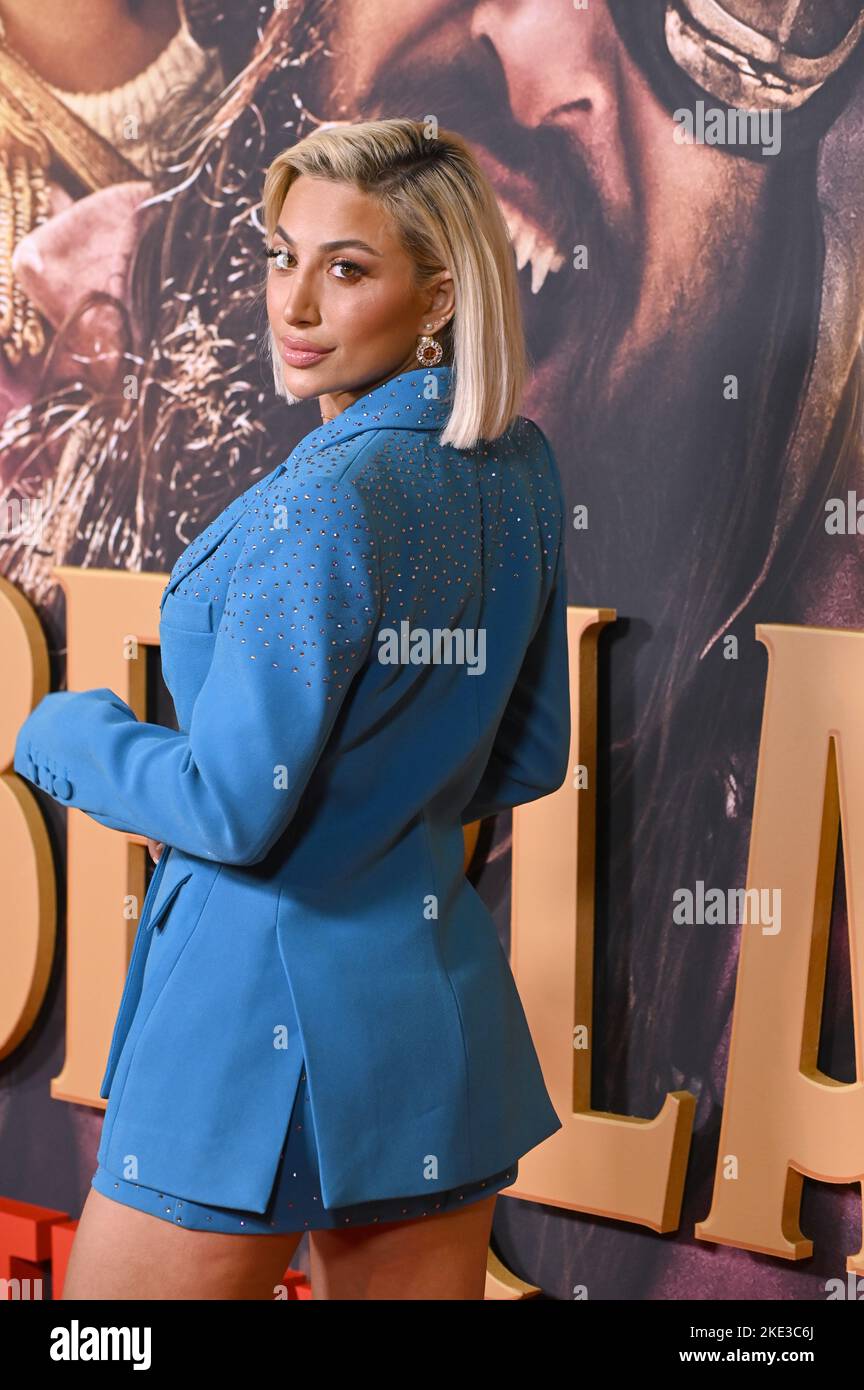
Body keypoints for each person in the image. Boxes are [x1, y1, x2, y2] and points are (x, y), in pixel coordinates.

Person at [13, 117, 571, 1300]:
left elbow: (230, 805)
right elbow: (528, 755)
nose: (296, 303)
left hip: (244, 1037)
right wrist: (381, 798)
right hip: (426, 1022)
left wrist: (63, 731)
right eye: (282, 255)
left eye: (347, 267)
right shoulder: (519, 467)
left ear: (438, 295)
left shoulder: (320, 507)